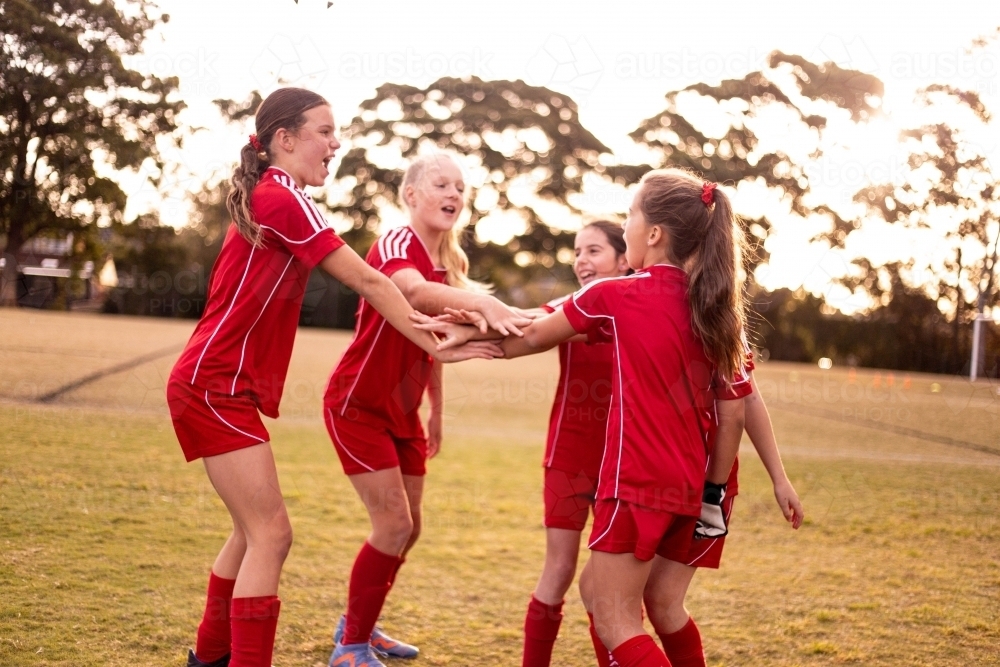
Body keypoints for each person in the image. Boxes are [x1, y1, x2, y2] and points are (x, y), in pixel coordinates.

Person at [166, 90, 500, 667]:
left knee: (251, 534)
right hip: (212, 384)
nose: (336, 143)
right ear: (285, 140)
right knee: (272, 535)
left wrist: (442, 348)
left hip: (222, 386)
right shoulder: (282, 197)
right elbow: (373, 283)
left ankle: (210, 657)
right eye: (325, 131)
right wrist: (440, 341)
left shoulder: (283, 196)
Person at [427, 168, 751, 667]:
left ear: (655, 234)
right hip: (689, 488)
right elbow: (734, 416)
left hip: (634, 483)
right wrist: (473, 324)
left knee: (614, 616)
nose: (626, 227)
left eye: (630, 217)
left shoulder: (617, 297)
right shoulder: (714, 309)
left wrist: (465, 341)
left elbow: (533, 337)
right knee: (623, 600)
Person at [323, 153, 532, 667]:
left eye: (461, 188)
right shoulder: (398, 244)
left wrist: (436, 409)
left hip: (403, 413)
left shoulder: (451, 266)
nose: (454, 194)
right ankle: (349, 649)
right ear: (411, 195)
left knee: (409, 528)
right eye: (442, 184)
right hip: (358, 404)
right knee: (392, 525)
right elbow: (411, 291)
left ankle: (360, 625)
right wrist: (481, 304)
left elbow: (433, 340)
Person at [641, 358, 805, 667]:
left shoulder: (720, 314)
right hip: (655, 476)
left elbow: (748, 398)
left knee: (662, 601)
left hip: (707, 489)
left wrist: (779, 478)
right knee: (605, 592)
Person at [518, 221, 630, 667]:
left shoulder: (642, 307)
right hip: (567, 458)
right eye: (578, 251)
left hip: (623, 465)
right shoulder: (567, 306)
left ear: (625, 260)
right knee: (559, 569)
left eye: (595, 250)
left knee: (612, 582)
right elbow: (525, 325)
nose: (581, 260)